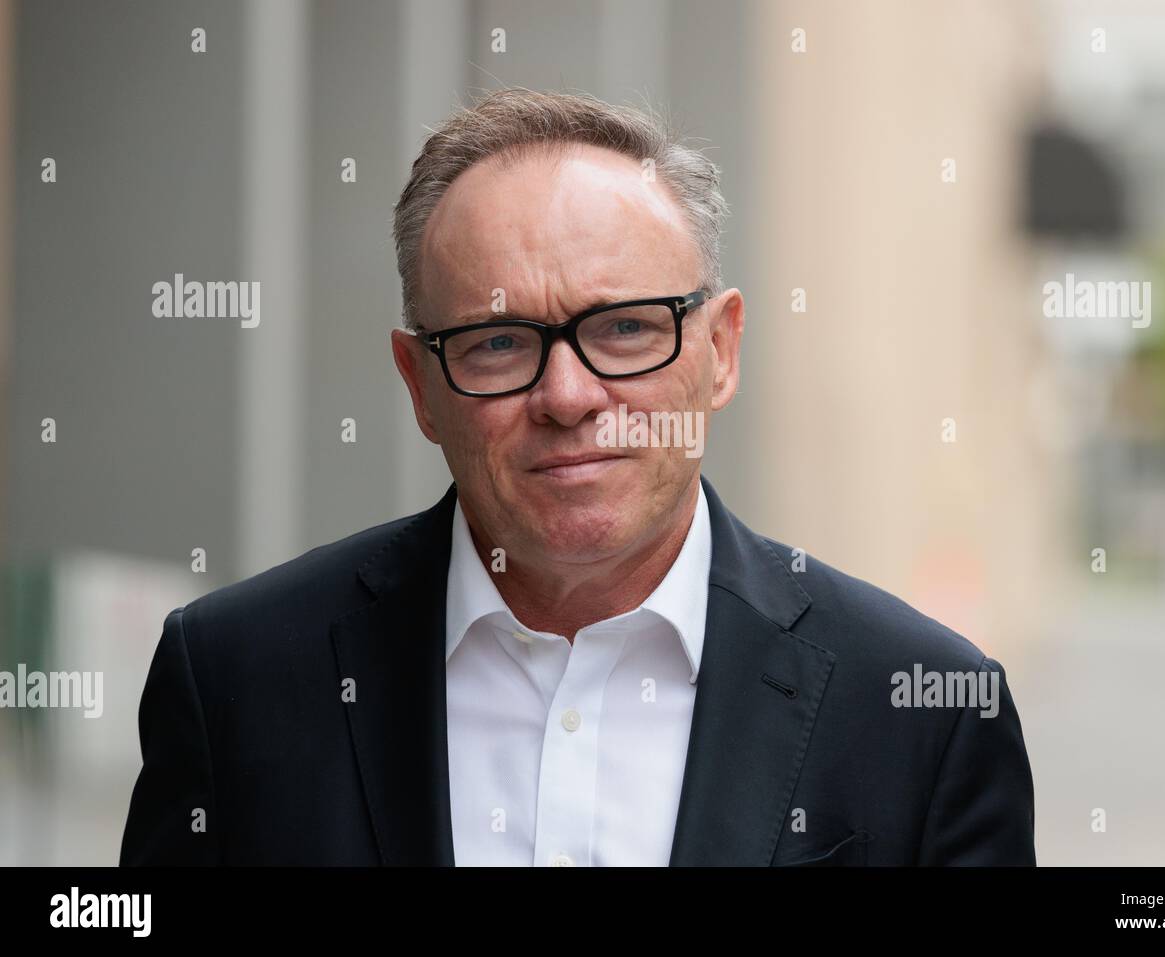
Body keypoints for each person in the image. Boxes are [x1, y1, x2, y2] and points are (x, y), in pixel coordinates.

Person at [121, 88, 1034, 866]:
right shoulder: (237, 679)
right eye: (497, 341)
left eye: (626, 328)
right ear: (420, 385)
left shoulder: (923, 711)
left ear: (720, 351)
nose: (567, 394)